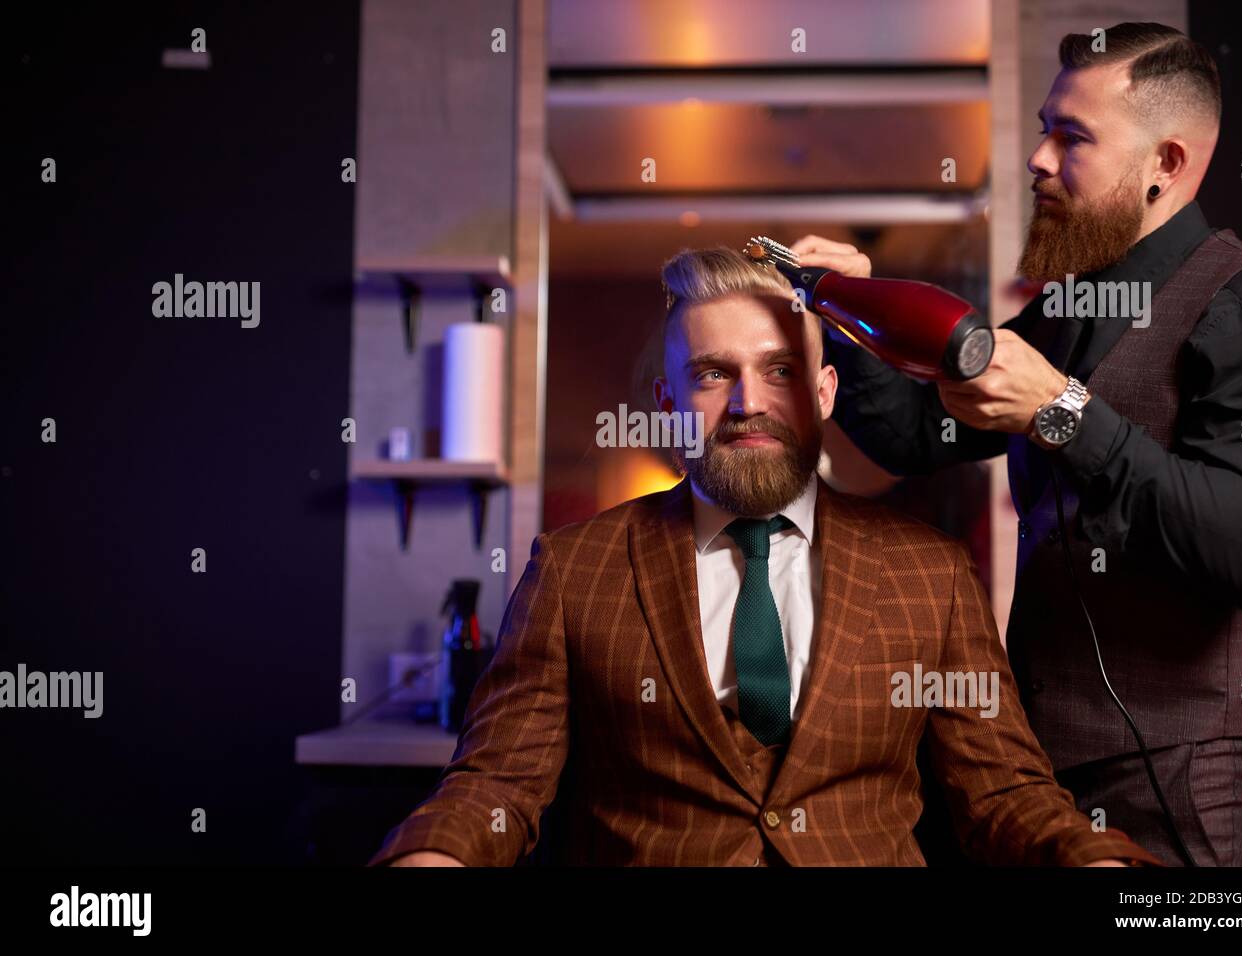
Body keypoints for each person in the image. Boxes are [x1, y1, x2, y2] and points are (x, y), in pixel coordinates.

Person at [369, 247, 1155, 867]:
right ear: (670, 402)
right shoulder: (575, 570)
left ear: (823, 393)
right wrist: (435, 855)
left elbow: (1004, 793)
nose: (747, 403)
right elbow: (500, 780)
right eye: (714, 375)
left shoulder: (931, 572)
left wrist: (1090, 865)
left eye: (778, 371)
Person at [795, 21, 1242, 866]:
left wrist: (1063, 412)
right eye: (1042, 128)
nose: (1037, 158)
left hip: (1199, 803)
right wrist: (843, 307)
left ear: (1165, 165)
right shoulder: (1068, 309)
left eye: (1072, 137)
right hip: (1046, 785)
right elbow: (916, 432)